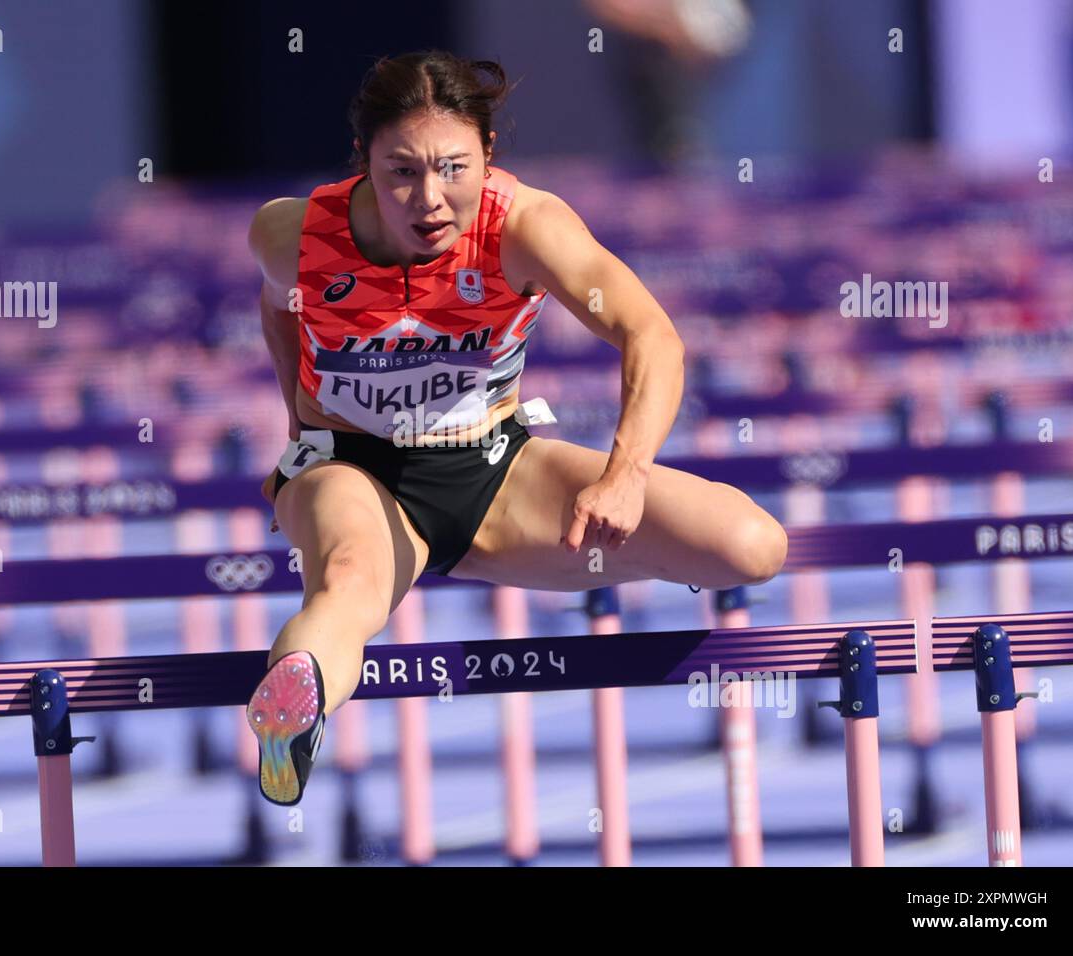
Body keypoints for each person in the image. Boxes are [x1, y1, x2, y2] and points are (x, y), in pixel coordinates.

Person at [245, 50, 788, 806]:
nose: (428, 198)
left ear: (488, 154)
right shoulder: (292, 235)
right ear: (362, 160)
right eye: (400, 171)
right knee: (350, 583)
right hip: (353, 470)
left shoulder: (527, 226)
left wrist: (624, 475)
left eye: (453, 168)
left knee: (751, 545)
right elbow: (280, 308)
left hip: (496, 470)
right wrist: (300, 427)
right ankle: (289, 718)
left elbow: (651, 335)